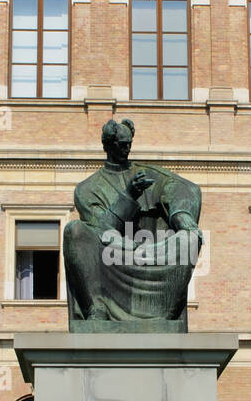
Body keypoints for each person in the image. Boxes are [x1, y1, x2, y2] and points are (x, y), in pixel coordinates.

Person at [63, 117, 202, 327]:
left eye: (129, 144)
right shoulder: (87, 188)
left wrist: (181, 215)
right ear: (108, 145)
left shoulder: (146, 173)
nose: (127, 149)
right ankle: (97, 307)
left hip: (152, 254)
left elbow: (187, 189)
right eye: (121, 145)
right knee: (74, 231)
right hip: (110, 260)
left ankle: (164, 314)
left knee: (189, 238)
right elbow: (101, 230)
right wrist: (128, 196)